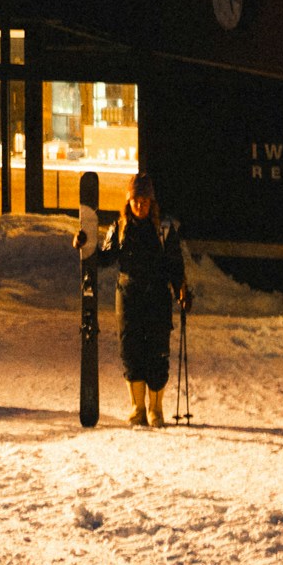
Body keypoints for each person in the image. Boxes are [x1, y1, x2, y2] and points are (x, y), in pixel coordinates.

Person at [108, 171, 189, 427]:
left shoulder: (164, 230)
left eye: (144, 200)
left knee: (157, 352)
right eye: (135, 200)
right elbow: (105, 258)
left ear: (152, 202)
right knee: (130, 351)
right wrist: (84, 245)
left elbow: (175, 265)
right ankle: (137, 408)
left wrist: (182, 289)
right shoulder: (119, 229)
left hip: (156, 298)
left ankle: (155, 409)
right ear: (128, 202)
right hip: (128, 296)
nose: (140, 205)